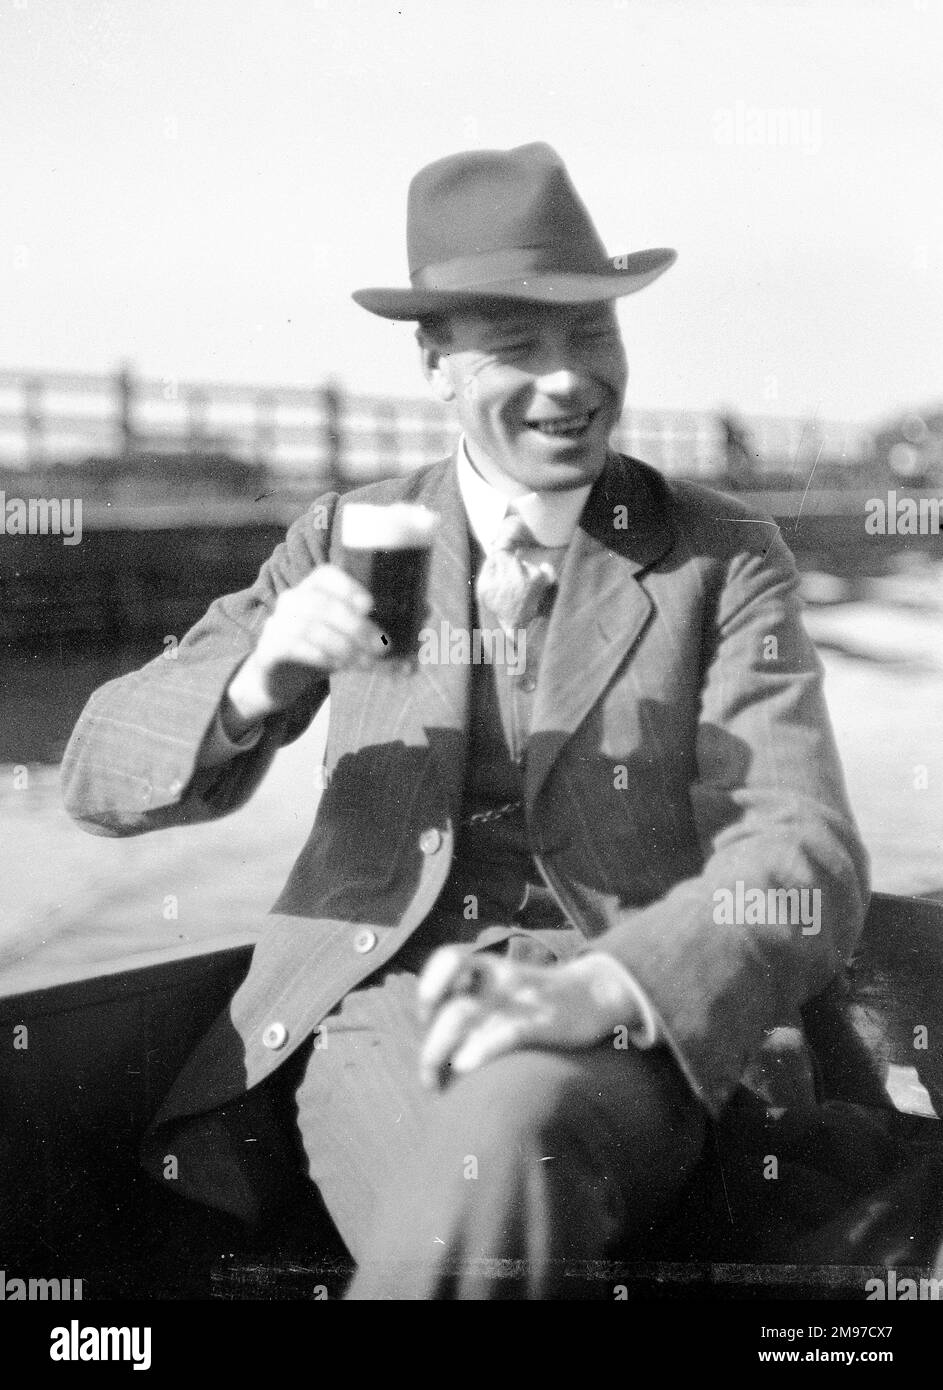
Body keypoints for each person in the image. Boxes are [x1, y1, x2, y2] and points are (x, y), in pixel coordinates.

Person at [62, 142, 869, 1299]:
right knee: (469, 1202)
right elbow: (93, 771)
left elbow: (804, 851)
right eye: (516, 346)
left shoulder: (721, 554)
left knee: (507, 1126)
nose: (567, 382)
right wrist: (257, 681)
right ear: (435, 363)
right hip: (376, 1010)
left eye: (592, 335)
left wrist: (594, 990)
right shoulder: (347, 535)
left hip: (627, 1021)